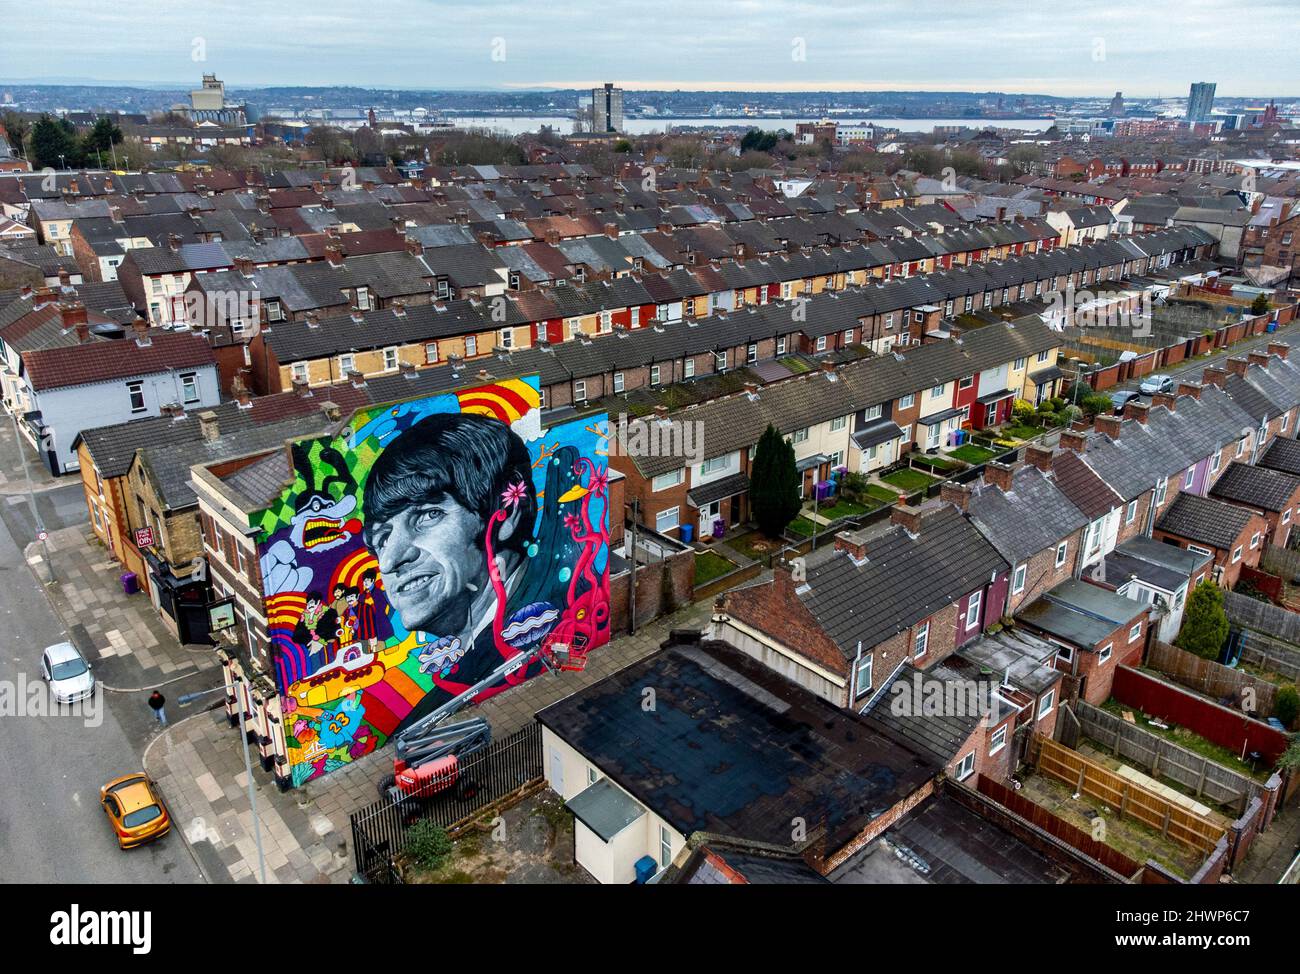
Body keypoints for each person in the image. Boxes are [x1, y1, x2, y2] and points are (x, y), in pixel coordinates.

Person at [362, 412, 536, 728]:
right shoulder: (429, 708)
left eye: (428, 515)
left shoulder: (553, 615)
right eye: (383, 537)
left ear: (506, 510)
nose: (389, 561)